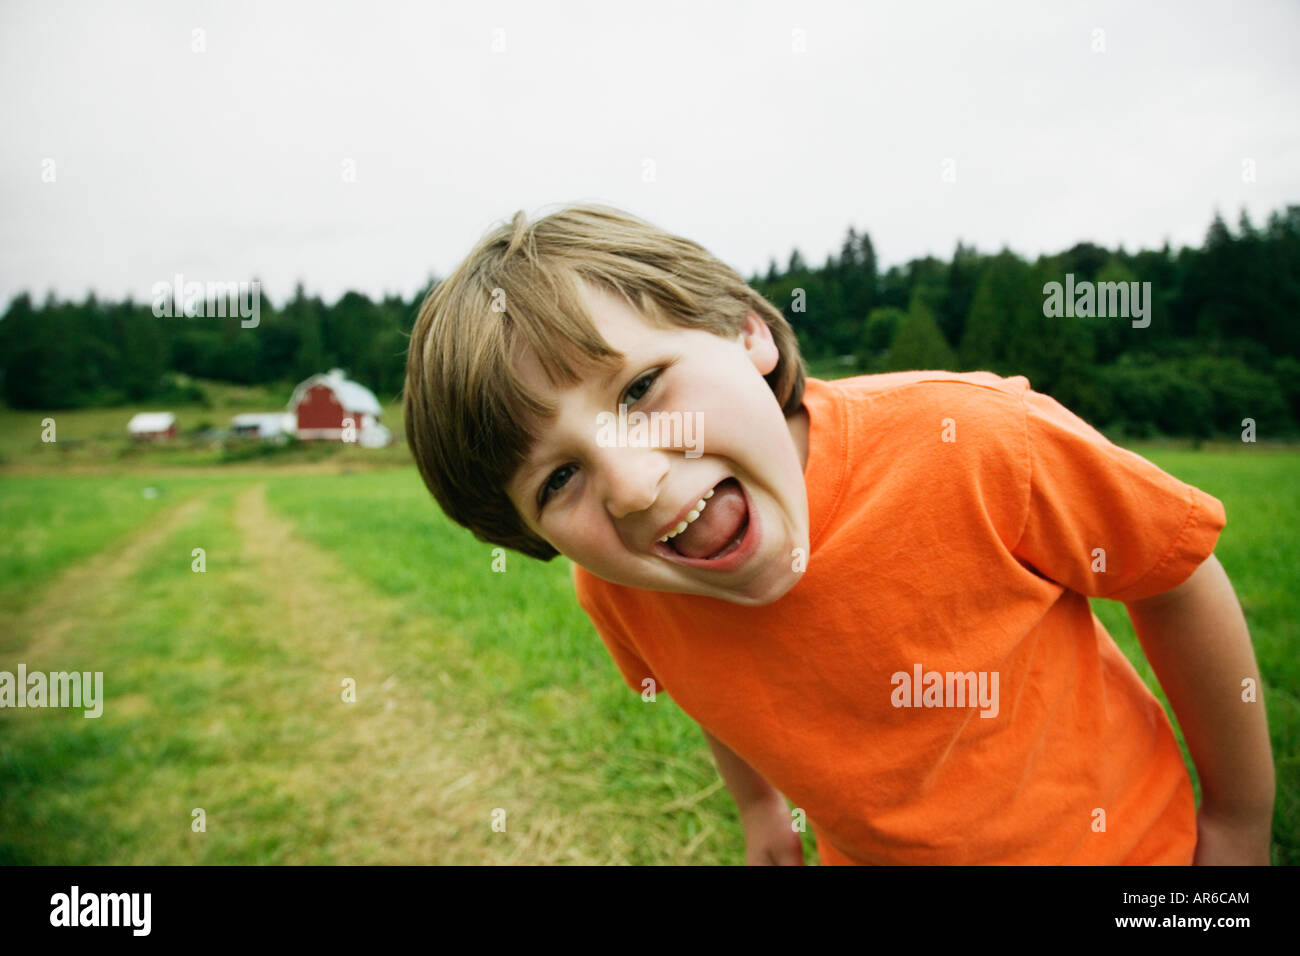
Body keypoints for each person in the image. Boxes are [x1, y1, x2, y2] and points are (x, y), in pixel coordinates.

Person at [403, 203, 1275, 865]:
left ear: (747, 335)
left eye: (639, 390)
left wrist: (1238, 819)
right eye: (558, 479)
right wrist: (758, 810)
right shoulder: (617, 587)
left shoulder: (973, 441)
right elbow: (708, 688)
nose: (633, 486)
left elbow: (1176, 572)